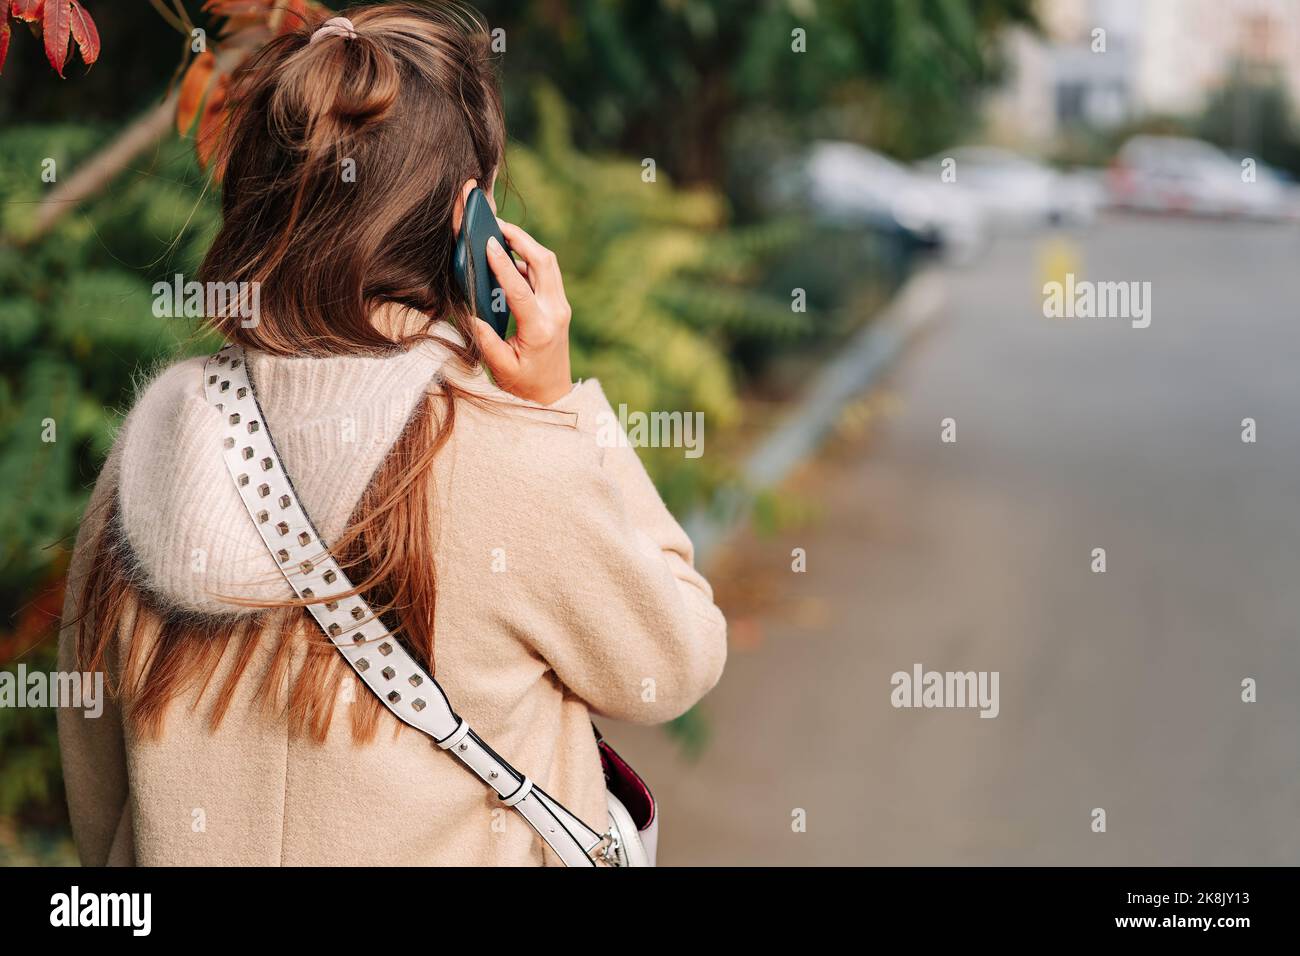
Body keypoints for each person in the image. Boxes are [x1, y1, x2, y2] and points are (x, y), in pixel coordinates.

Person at [56, 2, 726, 867]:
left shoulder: (155, 441)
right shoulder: (502, 454)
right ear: (471, 228)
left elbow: (97, 783)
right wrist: (561, 406)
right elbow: (674, 656)